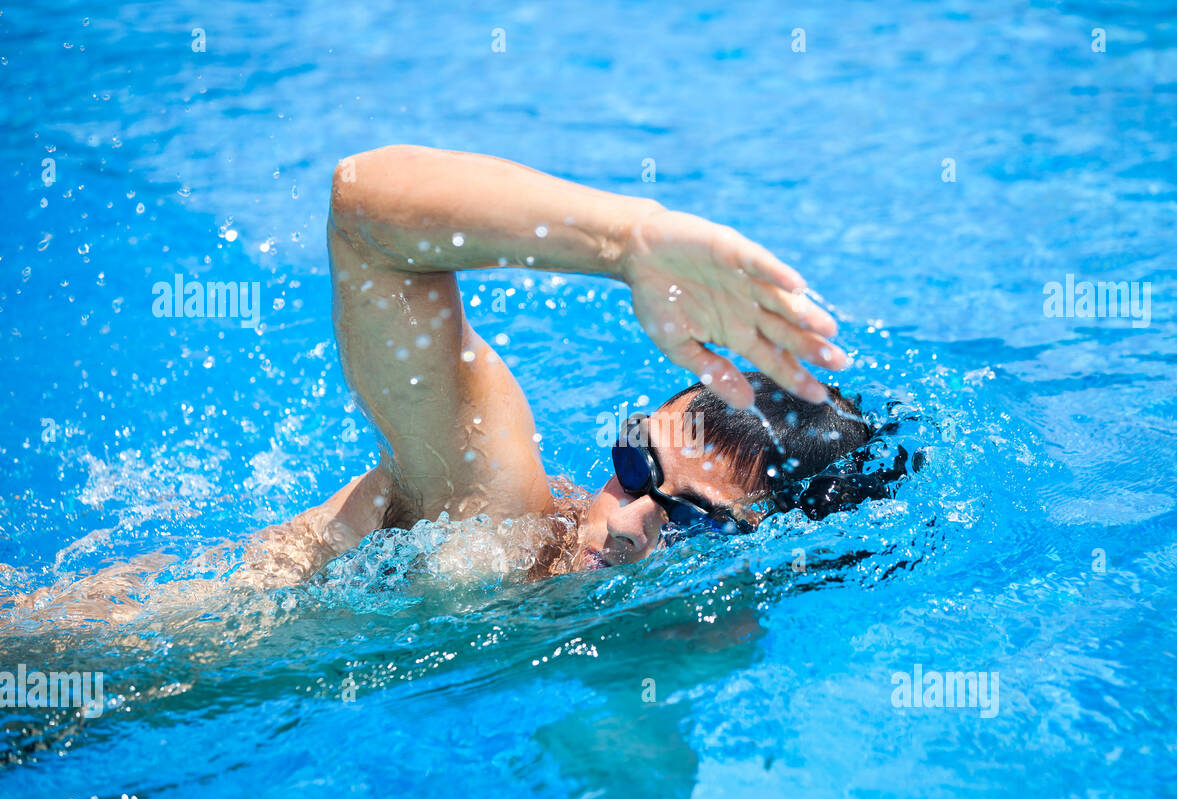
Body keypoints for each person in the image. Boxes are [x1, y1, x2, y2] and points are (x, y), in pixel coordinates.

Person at [6, 146, 911, 621]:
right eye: (636, 464)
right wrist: (624, 242)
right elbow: (364, 212)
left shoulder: (661, 643)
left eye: (695, 519)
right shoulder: (496, 522)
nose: (631, 516)